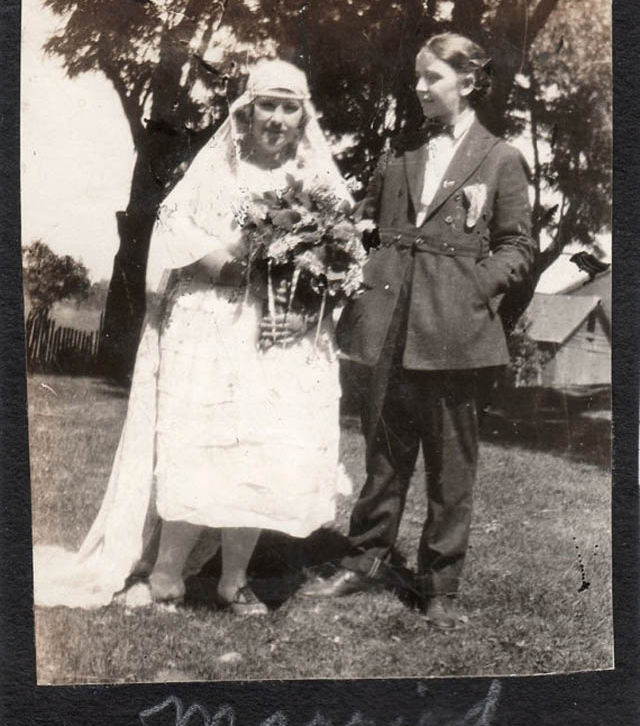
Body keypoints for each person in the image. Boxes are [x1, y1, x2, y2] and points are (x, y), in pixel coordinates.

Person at [33, 59, 353, 615]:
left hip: (280, 336)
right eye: (268, 106)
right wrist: (234, 268)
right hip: (212, 326)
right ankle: (166, 573)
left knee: (260, 450)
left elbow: (343, 265)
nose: (277, 119)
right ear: (248, 112)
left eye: (289, 107)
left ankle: (233, 578)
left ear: (305, 116)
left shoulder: (319, 184)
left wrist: (305, 315)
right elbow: (172, 233)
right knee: (200, 444)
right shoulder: (219, 171)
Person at [301, 32, 535, 629]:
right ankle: (363, 560)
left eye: (432, 77)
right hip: (388, 323)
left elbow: (516, 246)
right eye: (418, 77)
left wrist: (474, 290)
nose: (421, 88)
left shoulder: (501, 157)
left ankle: (439, 585)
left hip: (457, 333)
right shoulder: (399, 150)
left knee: (451, 466)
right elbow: (368, 226)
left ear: (468, 80)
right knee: (383, 453)